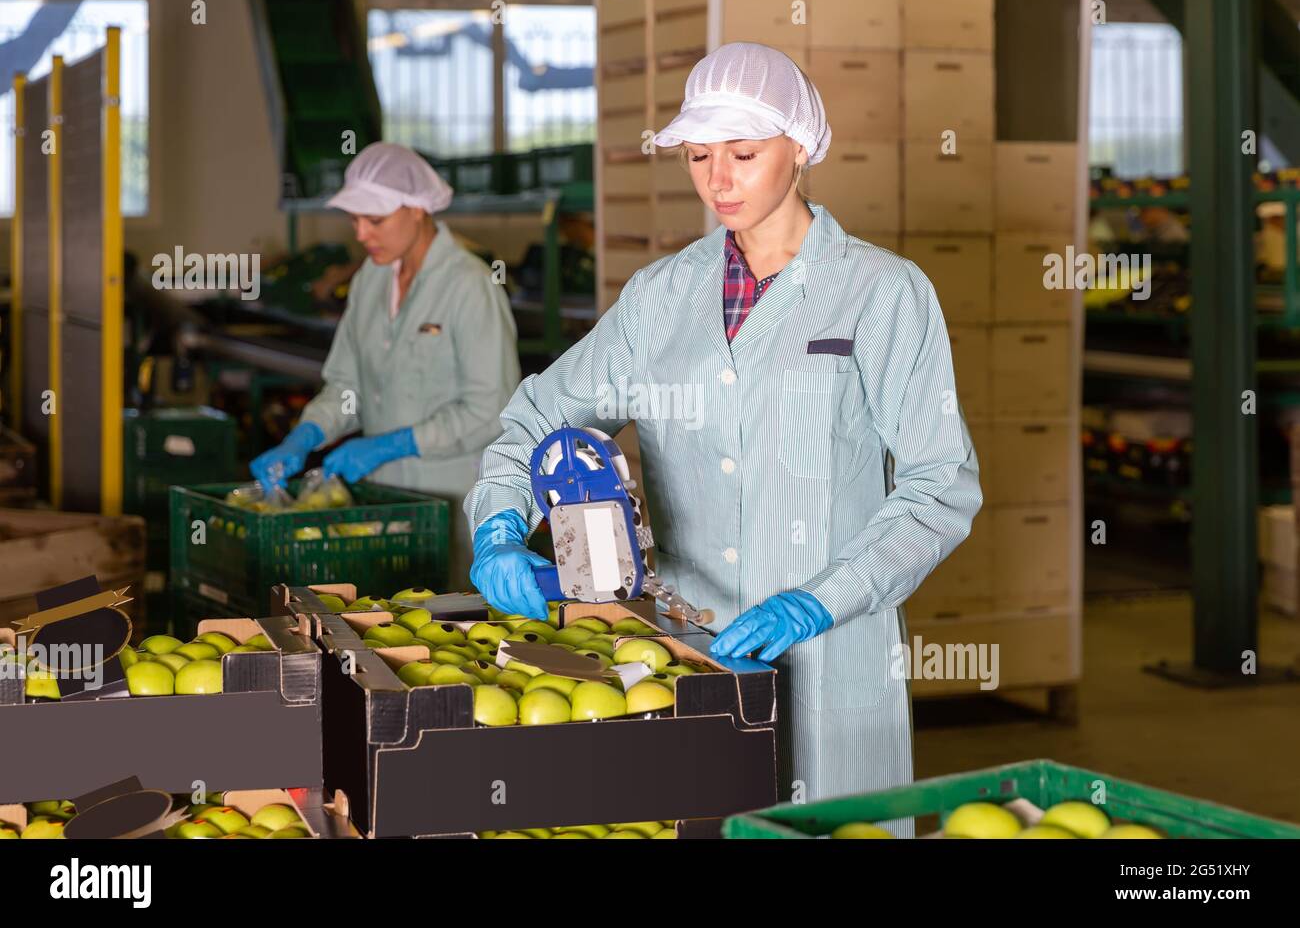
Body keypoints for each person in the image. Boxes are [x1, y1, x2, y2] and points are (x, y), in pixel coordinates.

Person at [463, 43, 981, 833]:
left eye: (743, 153)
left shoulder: (883, 294)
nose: (718, 179)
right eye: (699, 156)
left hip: (833, 651)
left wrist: (821, 599)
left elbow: (940, 486)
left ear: (800, 148)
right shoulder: (662, 297)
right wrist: (501, 521)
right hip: (687, 647)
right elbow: (544, 416)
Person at [251, 142, 521, 589]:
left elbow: (491, 409)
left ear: (416, 209)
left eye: (374, 220)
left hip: (452, 500)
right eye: (355, 220)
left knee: (450, 622)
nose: (360, 233)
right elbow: (345, 385)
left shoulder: (470, 286)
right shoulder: (370, 281)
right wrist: (307, 434)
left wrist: (393, 444)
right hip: (384, 501)